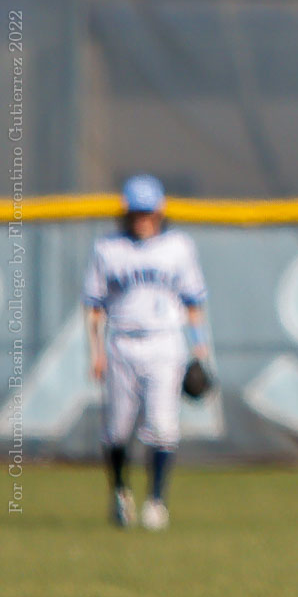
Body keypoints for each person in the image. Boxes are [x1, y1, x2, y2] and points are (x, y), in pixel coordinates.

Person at [84, 175, 211, 531]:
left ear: (160, 211)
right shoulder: (107, 248)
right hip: (121, 342)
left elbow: (194, 300)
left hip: (165, 342)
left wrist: (200, 348)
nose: (143, 219)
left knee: (163, 426)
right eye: (137, 212)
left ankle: (156, 501)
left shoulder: (179, 246)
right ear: (126, 213)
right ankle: (120, 493)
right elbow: (93, 306)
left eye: (148, 212)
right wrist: (94, 352)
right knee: (117, 430)